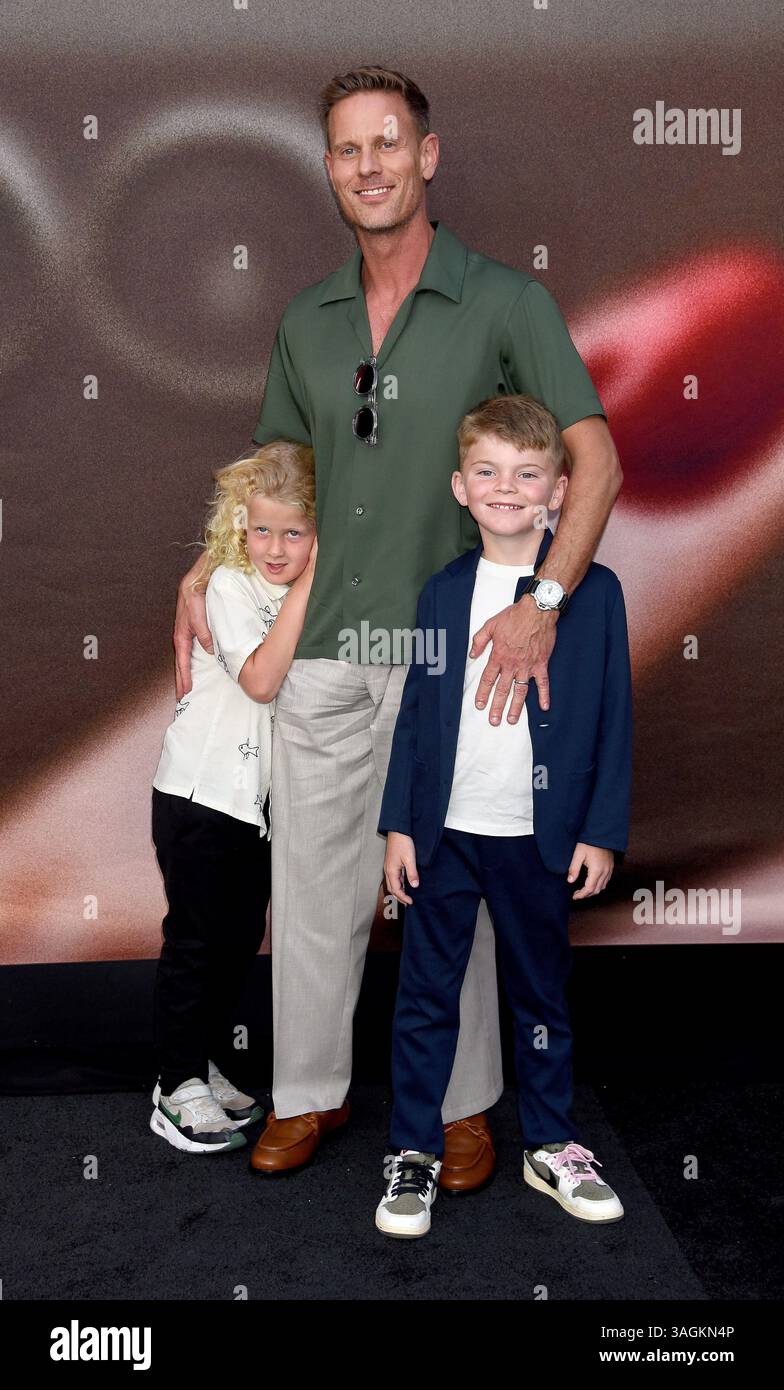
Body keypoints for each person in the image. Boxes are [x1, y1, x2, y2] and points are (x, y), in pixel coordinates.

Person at [173, 65, 623, 1190]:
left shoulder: (507, 301)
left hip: (454, 659)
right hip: (326, 646)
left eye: (387, 143)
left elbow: (596, 460)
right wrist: (205, 570)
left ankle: (467, 1108)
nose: (367, 165)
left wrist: (543, 606)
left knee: (455, 891)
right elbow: (274, 487)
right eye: (345, 149)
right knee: (315, 888)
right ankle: (307, 1094)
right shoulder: (304, 319)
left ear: (427, 156)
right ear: (328, 169)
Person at [375, 394, 632, 1237]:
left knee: (541, 998)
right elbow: (417, 713)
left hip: (538, 837)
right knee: (425, 996)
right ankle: (412, 1152)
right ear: (459, 486)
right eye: (487, 472)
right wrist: (401, 825)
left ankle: (551, 1143)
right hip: (446, 834)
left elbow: (614, 714)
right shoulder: (443, 592)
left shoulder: (595, 593)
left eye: (527, 474)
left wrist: (600, 827)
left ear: (560, 488)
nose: (506, 487)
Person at [150, 441, 317, 1152]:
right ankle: (173, 1087)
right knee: (196, 940)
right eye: (260, 529)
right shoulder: (225, 584)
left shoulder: (311, 582)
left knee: (236, 941)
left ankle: (202, 1063)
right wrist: (318, 577)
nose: (274, 549)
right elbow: (260, 680)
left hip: (258, 806)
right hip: (199, 795)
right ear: (237, 527)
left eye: (293, 532)